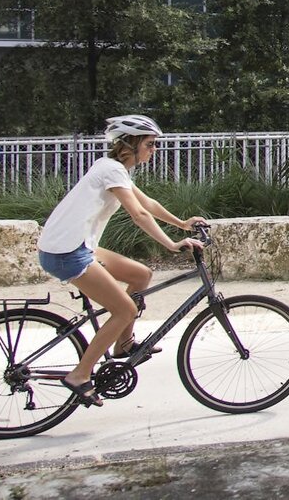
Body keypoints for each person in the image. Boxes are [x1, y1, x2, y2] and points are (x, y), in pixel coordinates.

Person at [35, 114, 206, 407]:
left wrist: (182, 224)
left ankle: (123, 345)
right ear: (131, 144)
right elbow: (138, 214)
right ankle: (79, 375)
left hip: (77, 246)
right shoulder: (111, 171)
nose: (154, 150)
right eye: (150, 144)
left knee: (141, 275)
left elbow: (147, 203)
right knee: (125, 310)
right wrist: (171, 244)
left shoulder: (114, 169)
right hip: (66, 253)